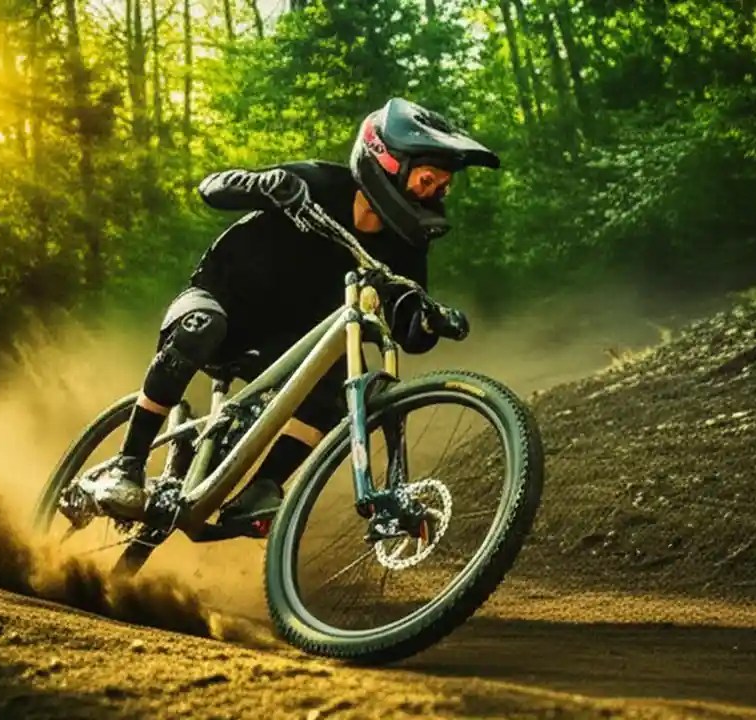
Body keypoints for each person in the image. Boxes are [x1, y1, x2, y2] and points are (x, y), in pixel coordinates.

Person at [73, 97, 500, 532]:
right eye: (427, 180)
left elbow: (407, 317)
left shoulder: (406, 247)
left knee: (337, 386)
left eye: (441, 187)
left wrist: (427, 320)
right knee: (202, 328)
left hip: (285, 346)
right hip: (220, 303)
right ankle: (127, 465)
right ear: (386, 161)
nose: (432, 194)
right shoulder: (316, 182)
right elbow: (213, 188)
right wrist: (265, 184)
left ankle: (261, 489)